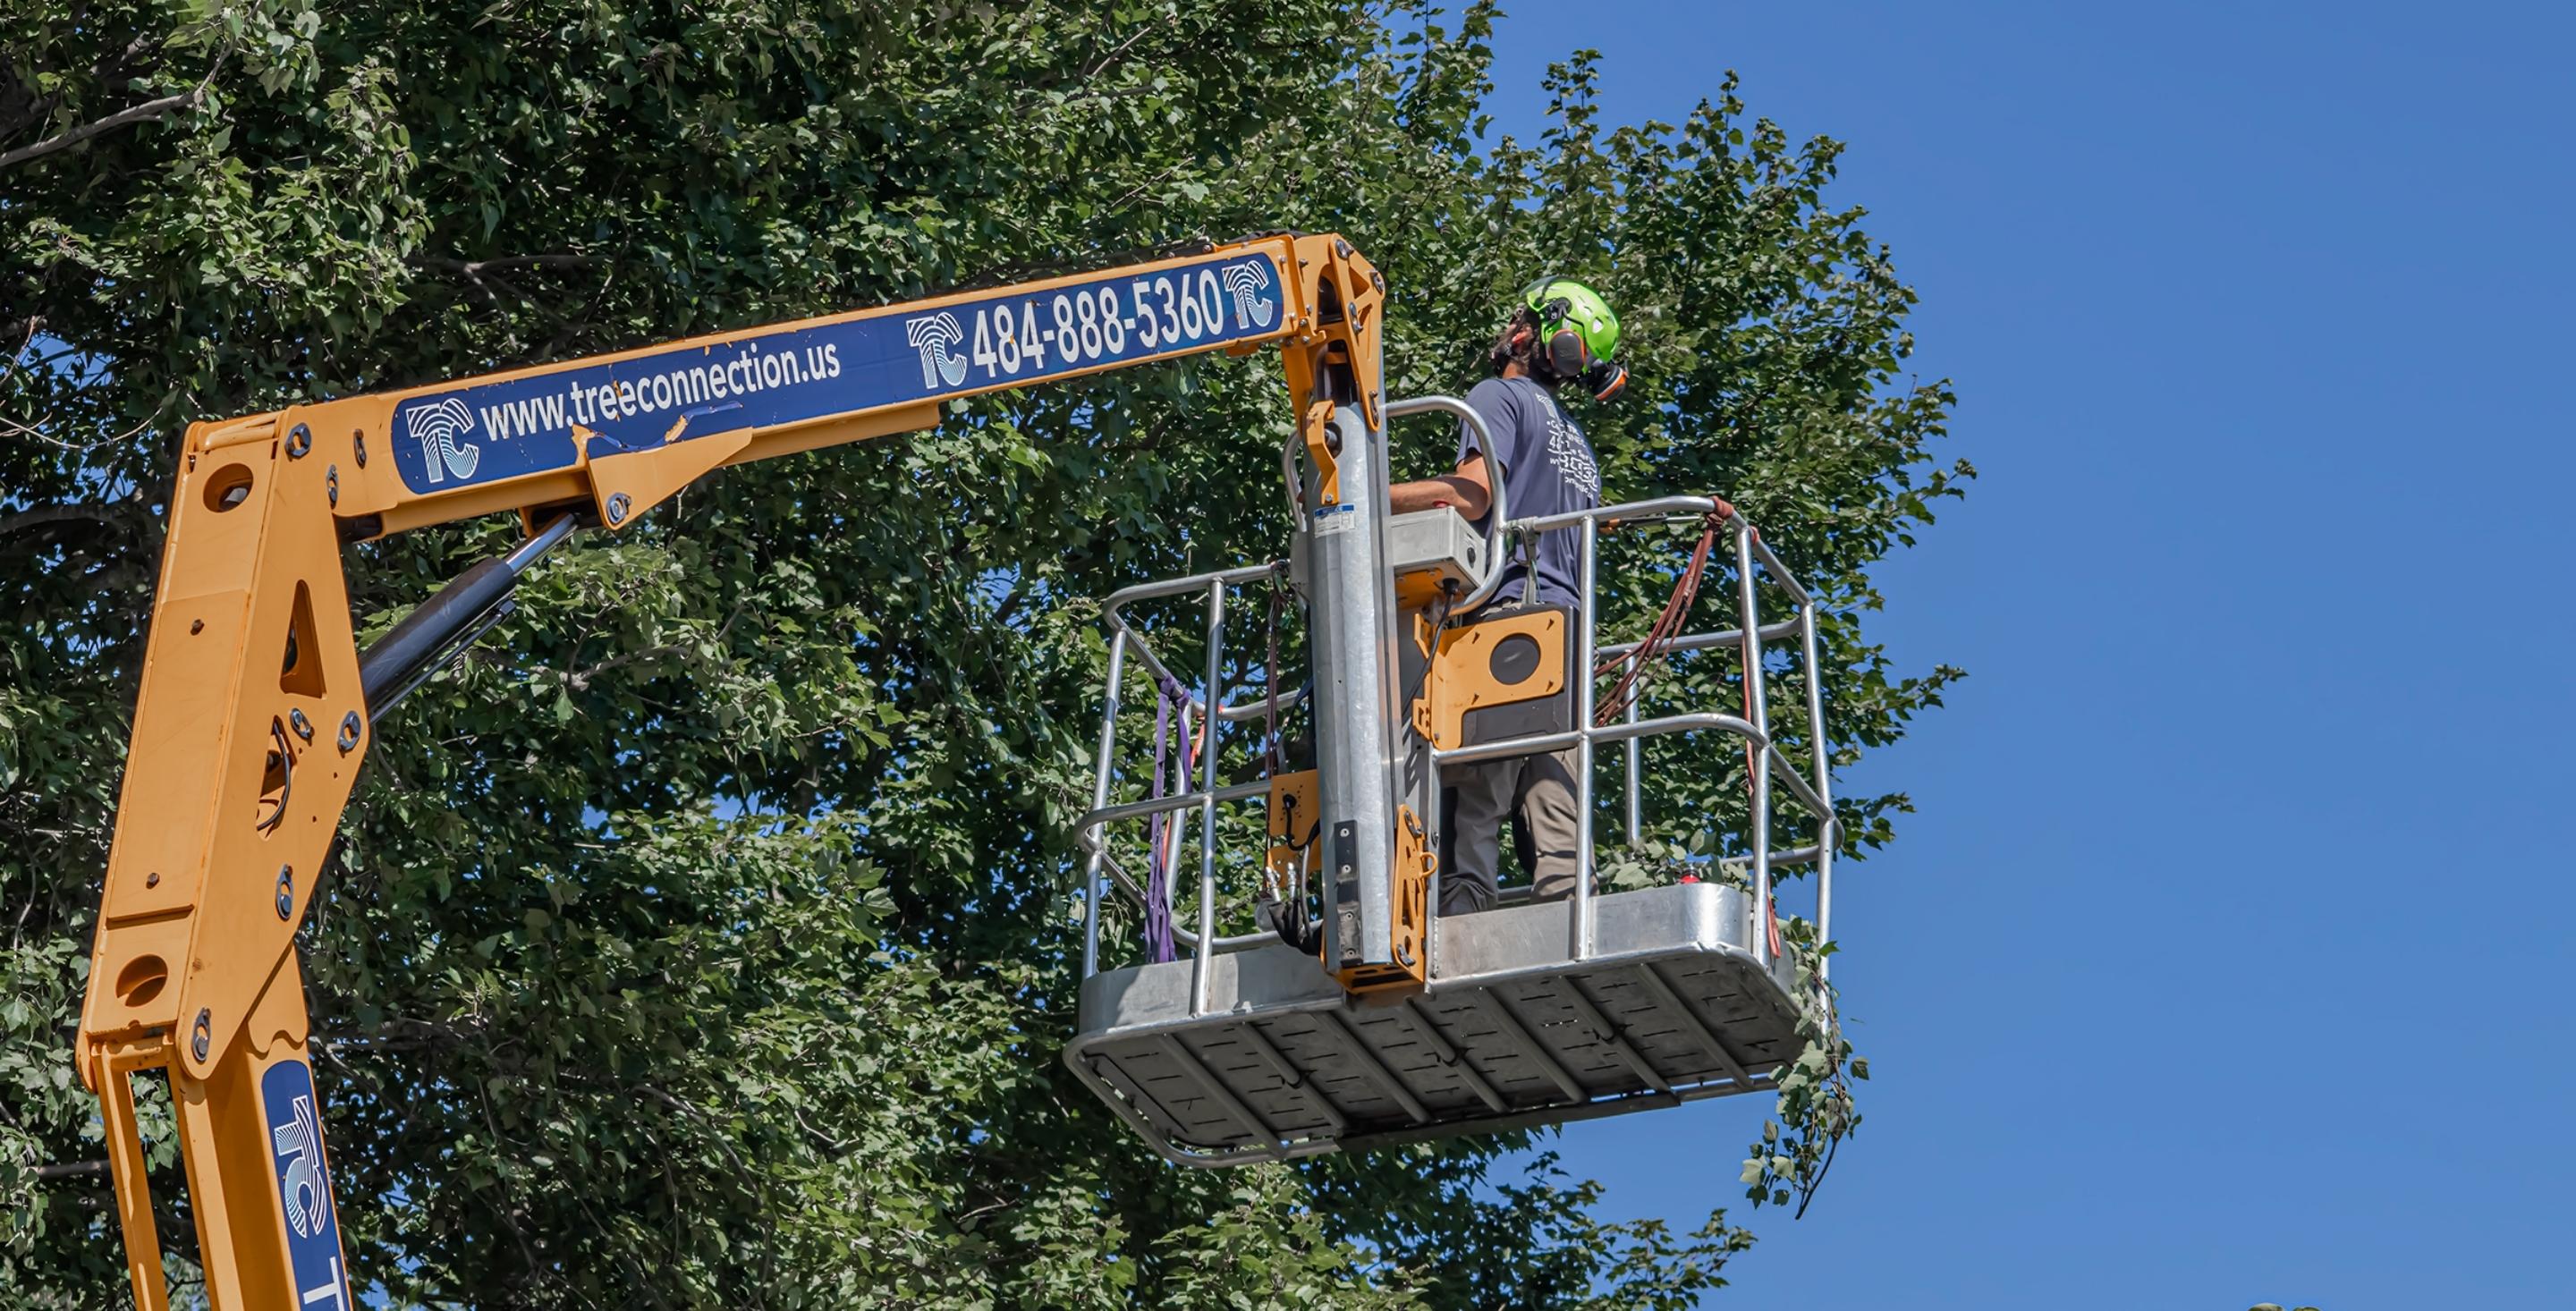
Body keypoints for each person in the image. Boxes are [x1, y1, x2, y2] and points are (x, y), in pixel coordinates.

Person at [1387, 277, 1637, 917]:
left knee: (1478, 786)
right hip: (1569, 633)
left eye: (1523, 317)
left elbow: (1473, 495)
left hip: (1510, 620)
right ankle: (1572, 919)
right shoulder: (1578, 444)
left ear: (1546, 334)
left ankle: (1461, 913)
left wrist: (1368, 496)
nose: (1511, 326)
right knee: (1556, 799)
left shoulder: (1497, 395)